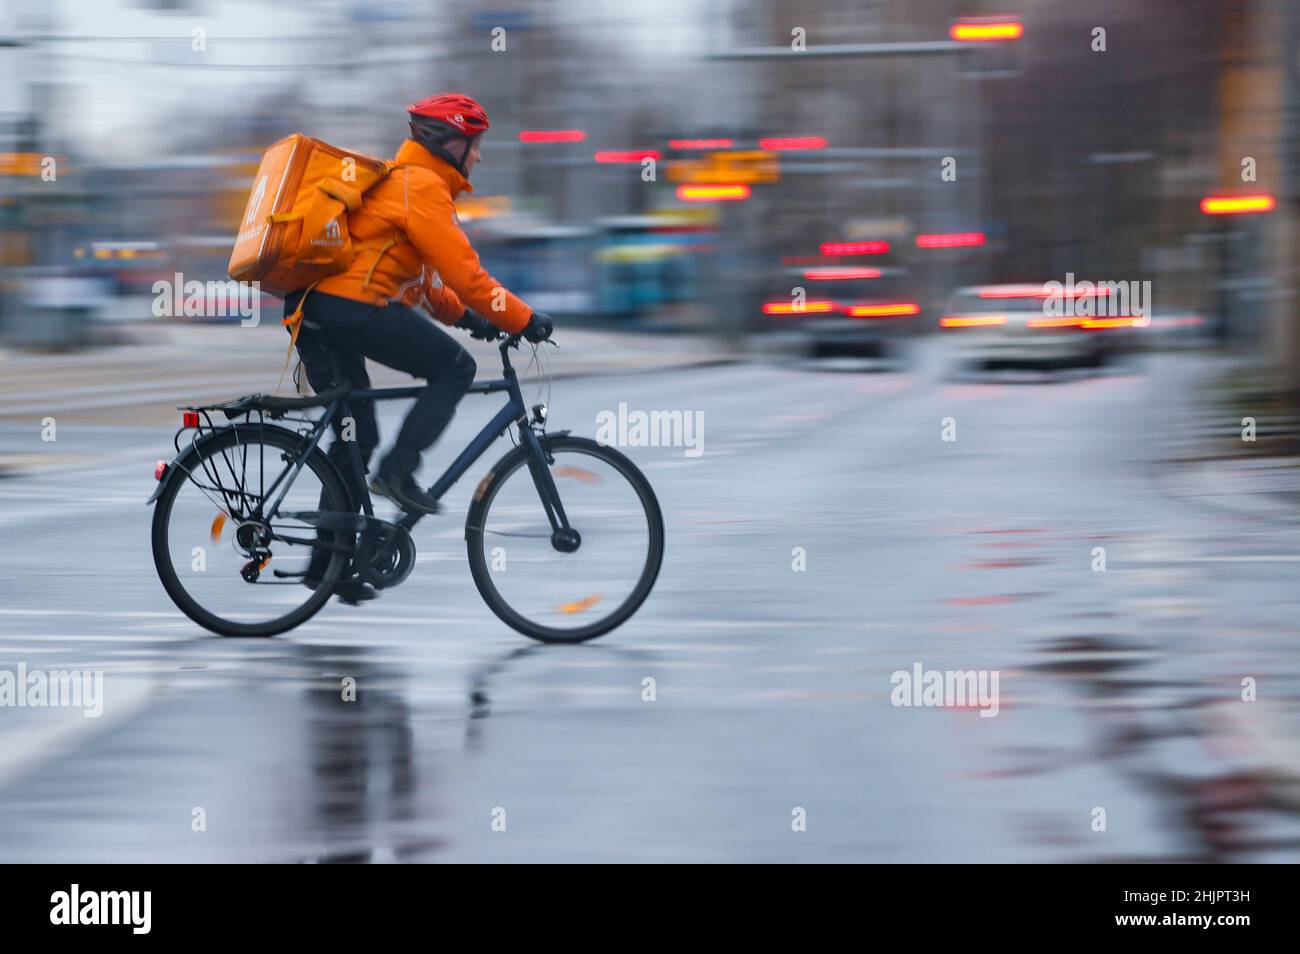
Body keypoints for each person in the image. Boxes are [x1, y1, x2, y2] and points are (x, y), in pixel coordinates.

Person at [289, 93, 552, 602]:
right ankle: (399, 470)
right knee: (454, 368)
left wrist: (470, 319)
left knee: (353, 436)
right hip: (351, 309)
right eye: (475, 146)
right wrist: (523, 319)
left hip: (316, 310)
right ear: (449, 141)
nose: (478, 157)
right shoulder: (422, 188)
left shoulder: (402, 183)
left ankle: (329, 567)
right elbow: (468, 275)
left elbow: (425, 284)